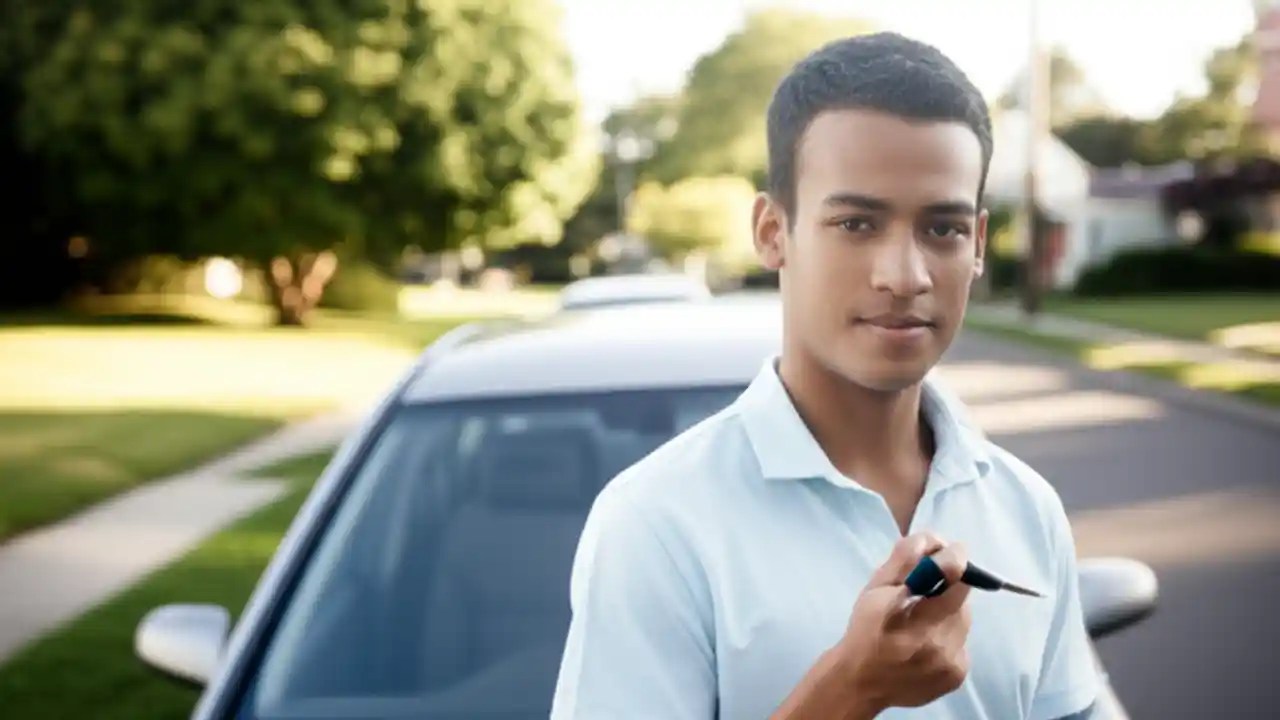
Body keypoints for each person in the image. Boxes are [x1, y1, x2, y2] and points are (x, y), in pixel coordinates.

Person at [550, 32, 1097, 720]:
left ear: (979, 243)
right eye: (857, 223)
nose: (904, 276)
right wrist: (849, 691)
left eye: (943, 229)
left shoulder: (1028, 509)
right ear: (772, 231)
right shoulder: (656, 524)